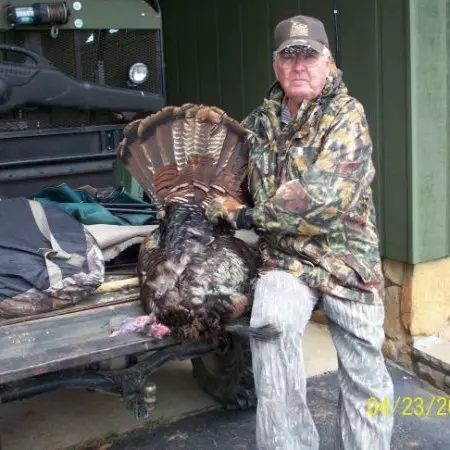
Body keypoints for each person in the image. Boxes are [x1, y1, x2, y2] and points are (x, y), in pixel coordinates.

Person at [206, 14, 394, 450]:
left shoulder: (348, 117)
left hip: (348, 261)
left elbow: (324, 202)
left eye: (308, 55)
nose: (298, 65)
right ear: (275, 66)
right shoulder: (257, 124)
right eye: (288, 56)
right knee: (270, 338)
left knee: (367, 376)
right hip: (285, 262)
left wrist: (247, 217)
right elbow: (227, 188)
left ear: (328, 62)